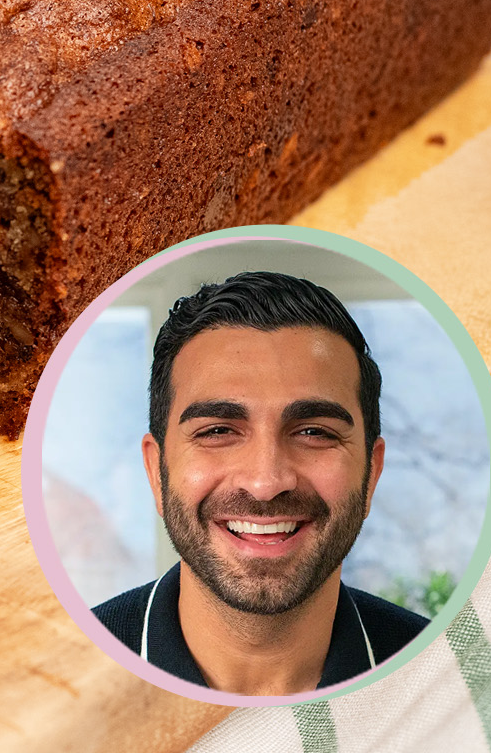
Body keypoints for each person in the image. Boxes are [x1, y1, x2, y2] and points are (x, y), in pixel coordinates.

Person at [91, 271, 428, 695]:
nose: (265, 483)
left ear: (371, 473)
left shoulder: (452, 673)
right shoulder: (53, 679)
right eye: (217, 431)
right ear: (156, 471)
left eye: (314, 432)